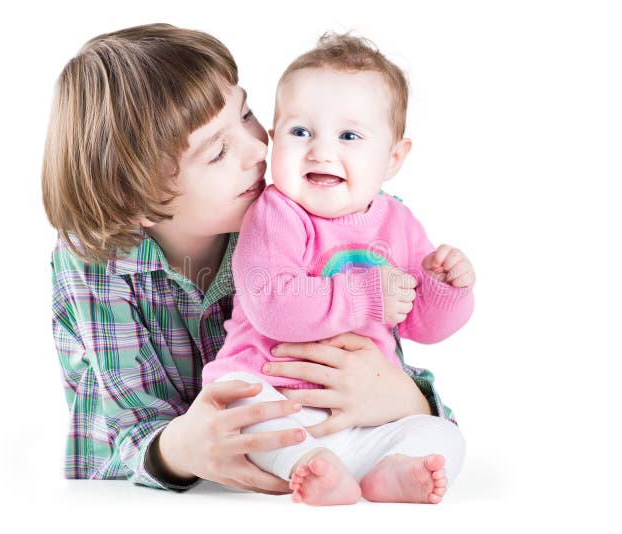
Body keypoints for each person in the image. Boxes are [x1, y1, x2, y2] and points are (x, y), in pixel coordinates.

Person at [42, 23, 457, 496]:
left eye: (246, 114)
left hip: (315, 441)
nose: (260, 148)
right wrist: (181, 450)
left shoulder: (306, 211)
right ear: (132, 197)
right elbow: (128, 422)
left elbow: (367, 348)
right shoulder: (96, 257)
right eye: (218, 151)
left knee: (436, 440)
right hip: (141, 497)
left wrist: (408, 398)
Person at [200, 33, 475, 505]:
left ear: (392, 158)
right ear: (274, 138)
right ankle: (308, 466)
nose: (321, 152)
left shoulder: (397, 222)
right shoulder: (275, 213)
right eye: (300, 132)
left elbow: (420, 324)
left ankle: (389, 470)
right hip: (274, 396)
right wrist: (367, 296)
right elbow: (272, 305)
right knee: (236, 399)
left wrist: (443, 288)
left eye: (349, 136)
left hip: (364, 413)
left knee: (445, 435)